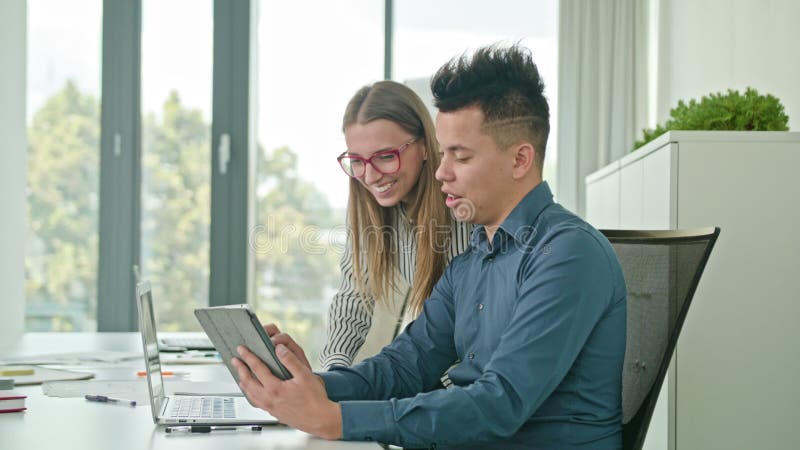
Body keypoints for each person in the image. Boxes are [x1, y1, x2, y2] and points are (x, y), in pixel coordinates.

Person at [232, 44, 627, 449]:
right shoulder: (471, 262)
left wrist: (336, 418)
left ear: (520, 160)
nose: (440, 172)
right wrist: (313, 384)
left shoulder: (567, 254)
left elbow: (497, 405)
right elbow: (404, 367)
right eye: (443, 153)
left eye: (460, 156)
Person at [321, 80, 473, 369]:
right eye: (357, 161)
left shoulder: (461, 207)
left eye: (386, 157)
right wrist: (334, 371)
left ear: (426, 147)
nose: (371, 176)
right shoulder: (371, 209)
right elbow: (354, 298)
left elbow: (471, 328)